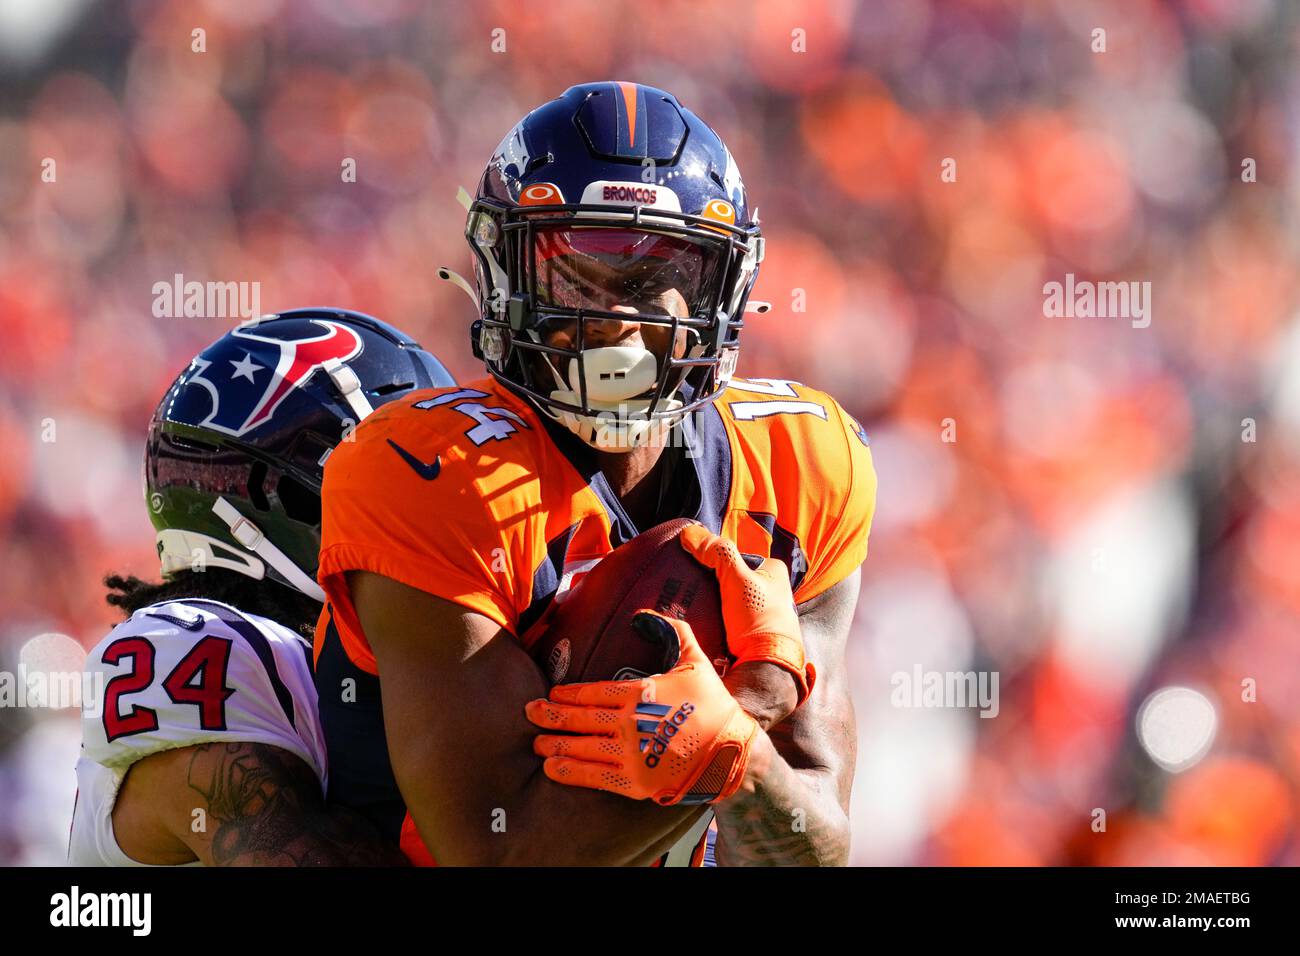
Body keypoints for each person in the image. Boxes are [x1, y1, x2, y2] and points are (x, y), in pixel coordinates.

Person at [316, 82, 877, 866]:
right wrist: (736, 721)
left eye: (654, 279)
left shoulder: (806, 462)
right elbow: (498, 852)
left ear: (724, 289)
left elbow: (815, 847)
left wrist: (738, 761)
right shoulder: (427, 473)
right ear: (506, 271)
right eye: (576, 273)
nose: (614, 320)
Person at [69, 309, 454, 866]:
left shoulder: (378, 653)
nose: (441, 512)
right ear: (280, 503)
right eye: (404, 483)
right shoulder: (202, 649)